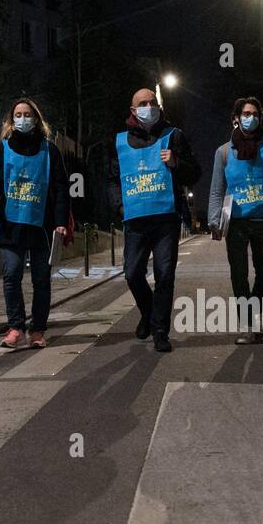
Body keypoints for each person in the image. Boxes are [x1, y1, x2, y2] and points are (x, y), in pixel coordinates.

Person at [107, 87, 201, 353]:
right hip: (135, 221)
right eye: (143, 103)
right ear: (133, 110)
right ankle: (147, 312)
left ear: (159, 107)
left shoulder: (174, 136)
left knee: (165, 274)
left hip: (165, 220)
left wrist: (176, 163)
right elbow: (112, 180)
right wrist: (120, 207)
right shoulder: (120, 141)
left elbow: (195, 173)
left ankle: (160, 330)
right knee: (132, 272)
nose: (149, 106)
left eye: (153, 102)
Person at [0, 98, 69, 350]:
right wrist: (4, 176)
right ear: (12, 120)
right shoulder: (4, 149)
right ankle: (16, 327)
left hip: (41, 225)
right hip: (11, 224)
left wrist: (61, 221)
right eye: (18, 114)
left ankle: (38, 330)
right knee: (11, 274)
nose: (23, 118)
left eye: (27, 114)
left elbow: (62, 188)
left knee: (41, 279)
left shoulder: (49, 151)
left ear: (36, 118)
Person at [206, 96, 263, 344]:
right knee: (239, 274)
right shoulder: (223, 152)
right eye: (245, 113)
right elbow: (217, 189)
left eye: (254, 113)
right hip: (237, 223)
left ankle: (253, 315)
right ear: (236, 118)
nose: (250, 118)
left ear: (260, 118)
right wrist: (214, 219)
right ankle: (247, 324)